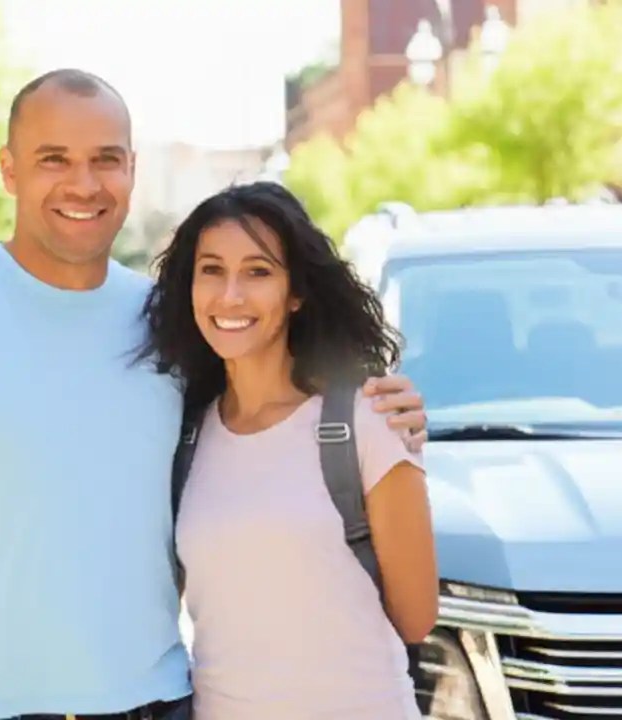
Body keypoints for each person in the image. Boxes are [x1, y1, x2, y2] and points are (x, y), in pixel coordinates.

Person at [0, 69, 429, 720]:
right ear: (10, 170)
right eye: (54, 159)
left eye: (105, 159)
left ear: (131, 170)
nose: (84, 183)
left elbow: (271, 412)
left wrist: (378, 410)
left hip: (157, 704)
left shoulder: (173, 323)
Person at [141, 181, 438, 719]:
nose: (230, 295)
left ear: (295, 291)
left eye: (258, 272)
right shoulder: (184, 434)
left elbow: (416, 617)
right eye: (211, 270)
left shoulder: (367, 419)